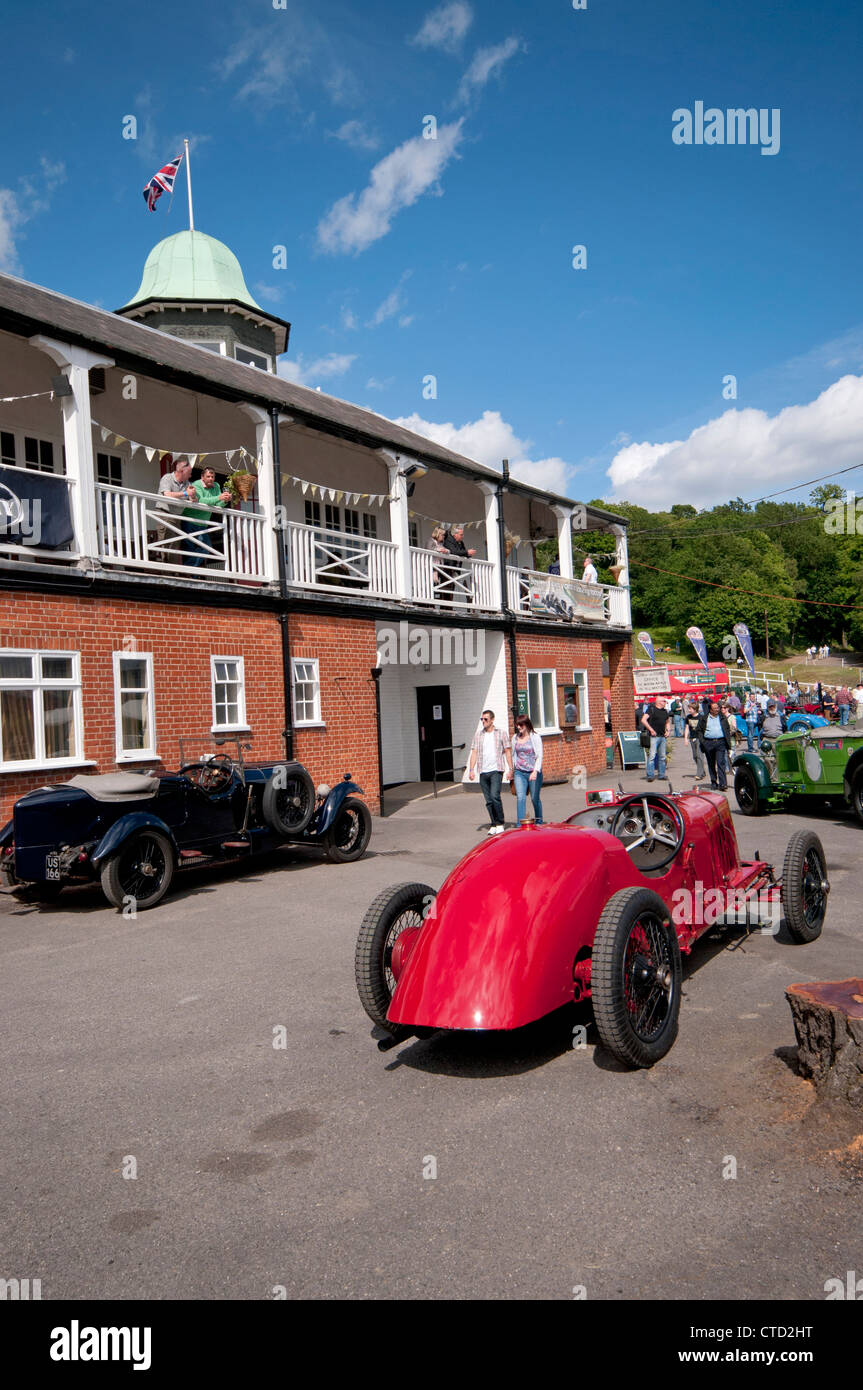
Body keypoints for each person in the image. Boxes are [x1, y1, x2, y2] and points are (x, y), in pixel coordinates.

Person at [467, 708, 512, 835]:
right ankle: (493, 823)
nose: (483, 721)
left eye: (485, 719)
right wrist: (471, 770)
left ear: (492, 720)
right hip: (483, 770)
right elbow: (474, 752)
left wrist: (510, 769)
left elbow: (508, 751)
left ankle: (500, 822)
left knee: (495, 796)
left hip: (496, 769)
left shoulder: (501, 733)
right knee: (488, 800)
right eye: (482, 719)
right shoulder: (478, 735)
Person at [183, 466, 232, 567]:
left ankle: (189, 570)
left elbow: (218, 504)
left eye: (212, 477)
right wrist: (219, 497)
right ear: (202, 477)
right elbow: (200, 501)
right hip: (189, 521)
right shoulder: (196, 484)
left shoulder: (217, 486)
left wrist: (225, 500)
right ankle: (189, 572)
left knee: (206, 548)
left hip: (203, 524)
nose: (211, 479)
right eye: (208, 476)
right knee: (189, 549)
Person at [154, 455, 194, 556]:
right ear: (181, 471)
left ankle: (173, 571)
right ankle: (166, 571)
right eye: (189, 473)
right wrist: (185, 493)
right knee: (166, 542)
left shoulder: (187, 483)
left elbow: (193, 500)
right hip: (165, 514)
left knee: (175, 544)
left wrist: (193, 495)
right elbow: (167, 495)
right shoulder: (167, 478)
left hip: (176, 517)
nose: (190, 476)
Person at [511, 715, 543, 827]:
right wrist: (511, 770)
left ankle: (539, 820)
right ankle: (520, 824)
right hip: (519, 772)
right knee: (520, 797)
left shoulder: (535, 737)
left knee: (534, 798)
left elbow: (539, 756)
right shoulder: (515, 738)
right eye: (517, 725)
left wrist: (535, 771)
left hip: (533, 771)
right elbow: (513, 755)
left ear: (527, 724)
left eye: (521, 725)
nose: (519, 727)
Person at [696, 699, 732, 791]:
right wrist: (703, 742)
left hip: (720, 743)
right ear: (710, 710)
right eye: (715, 708)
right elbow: (699, 730)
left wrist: (727, 742)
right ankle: (714, 782)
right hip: (709, 743)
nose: (717, 709)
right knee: (711, 764)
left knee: (721, 763)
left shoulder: (722, 717)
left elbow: (727, 729)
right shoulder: (704, 718)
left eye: (718, 708)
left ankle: (723, 784)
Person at [641, 695, 670, 782]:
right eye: (664, 701)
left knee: (662, 757)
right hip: (654, 737)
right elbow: (643, 720)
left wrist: (668, 730)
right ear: (659, 702)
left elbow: (667, 722)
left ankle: (661, 775)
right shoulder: (651, 709)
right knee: (652, 756)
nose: (665, 703)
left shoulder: (665, 711)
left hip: (662, 736)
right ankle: (650, 775)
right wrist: (651, 730)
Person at [683, 698, 706, 779]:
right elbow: (686, 728)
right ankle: (702, 771)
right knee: (695, 756)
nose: (689, 710)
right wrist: (685, 738)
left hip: (699, 738)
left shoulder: (701, 717)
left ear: (695, 709)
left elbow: (704, 729)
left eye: (690, 709)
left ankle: (699, 774)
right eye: (689, 708)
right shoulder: (688, 717)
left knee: (699, 756)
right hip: (692, 738)